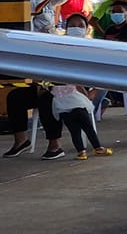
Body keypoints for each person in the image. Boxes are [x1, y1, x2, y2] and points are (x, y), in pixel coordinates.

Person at [48, 14, 113, 159]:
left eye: (80, 26)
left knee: (81, 122)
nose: (76, 29)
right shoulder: (59, 47)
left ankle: (90, 148)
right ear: (65, 29)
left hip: (84, 94)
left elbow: (102, 77)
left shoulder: (94, 49)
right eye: (72, 26)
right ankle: (86, 149)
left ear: (87, 29)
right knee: (77, 124)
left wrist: (93, 92)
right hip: (65, 95)